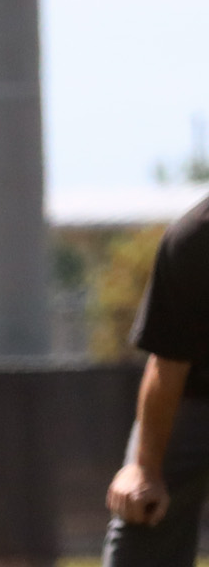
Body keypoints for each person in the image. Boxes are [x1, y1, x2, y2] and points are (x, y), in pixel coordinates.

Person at [104, 195, 209, 566]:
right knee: (142, 507)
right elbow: (168, 368)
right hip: (199, 396)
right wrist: (144, 470)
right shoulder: (196, 238)